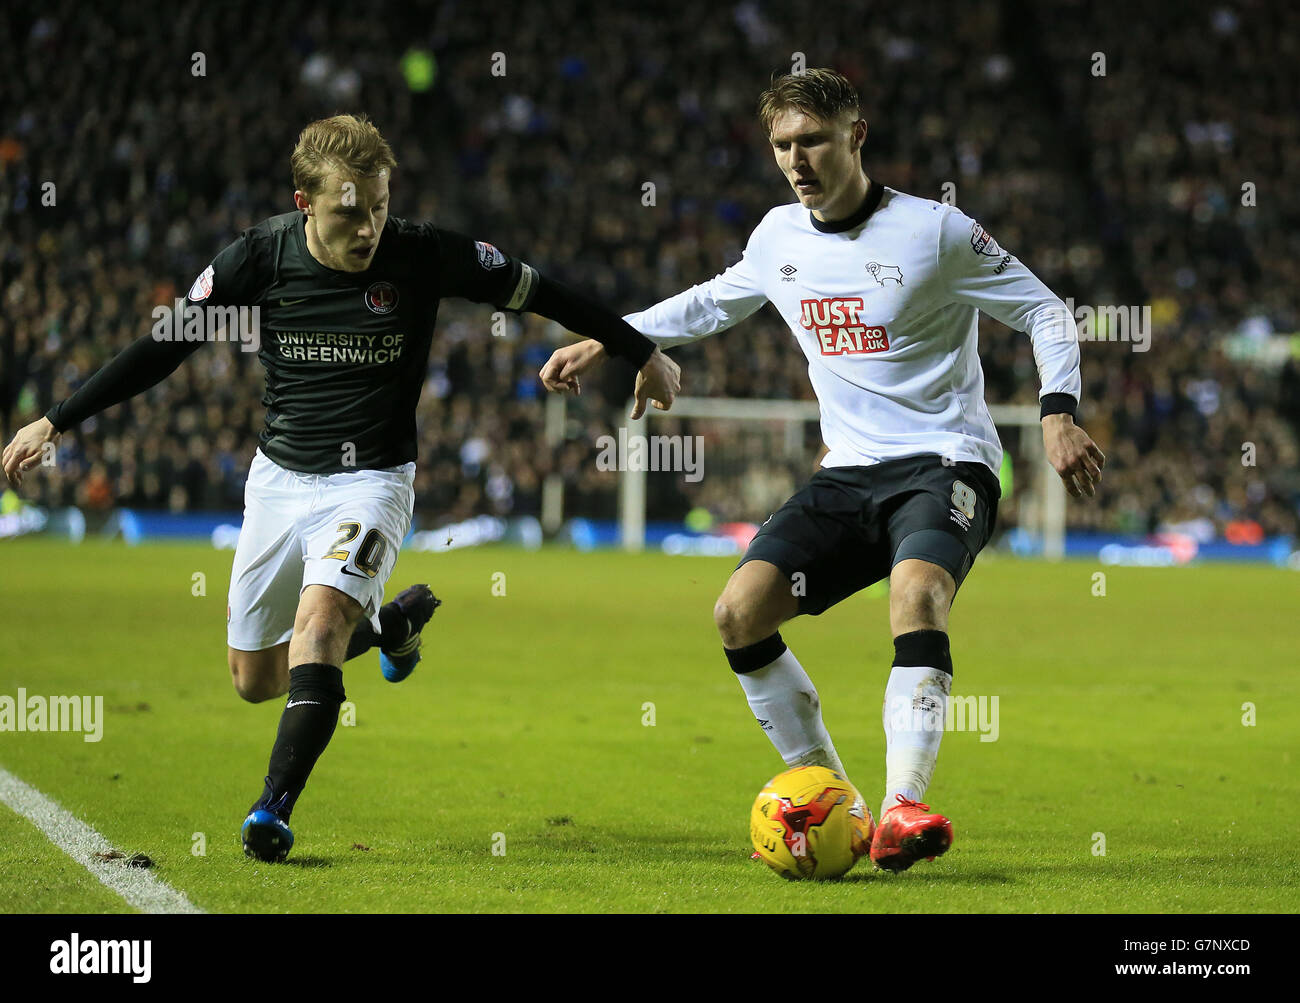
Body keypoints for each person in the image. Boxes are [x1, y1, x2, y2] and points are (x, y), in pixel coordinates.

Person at [3, 113, 681, 862]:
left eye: (380, 207)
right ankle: (390, 627)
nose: (368, 229)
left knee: (318, 628)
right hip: (280, 480)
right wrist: (57, 421)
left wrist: (642, 349)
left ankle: (273, 808)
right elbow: (164, 347)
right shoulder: (259, 256)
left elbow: (549, 291)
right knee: (255, 679)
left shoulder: (422, 254)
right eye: (348, 212)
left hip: (372, 483)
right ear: (304, 203)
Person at [540, 69, 1103, 872]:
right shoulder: (778, 237)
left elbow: (1045, 308)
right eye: (781, 146)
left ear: (856, 136)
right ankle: (840, 799)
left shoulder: (936, 232)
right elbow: (714, 300)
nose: (796, 160)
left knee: (915, 594)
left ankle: (907, 804)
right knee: (739, 612)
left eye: (811, 140)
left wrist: (1056, 411)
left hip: (946, 461)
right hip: (848, 474)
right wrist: (613, 336)